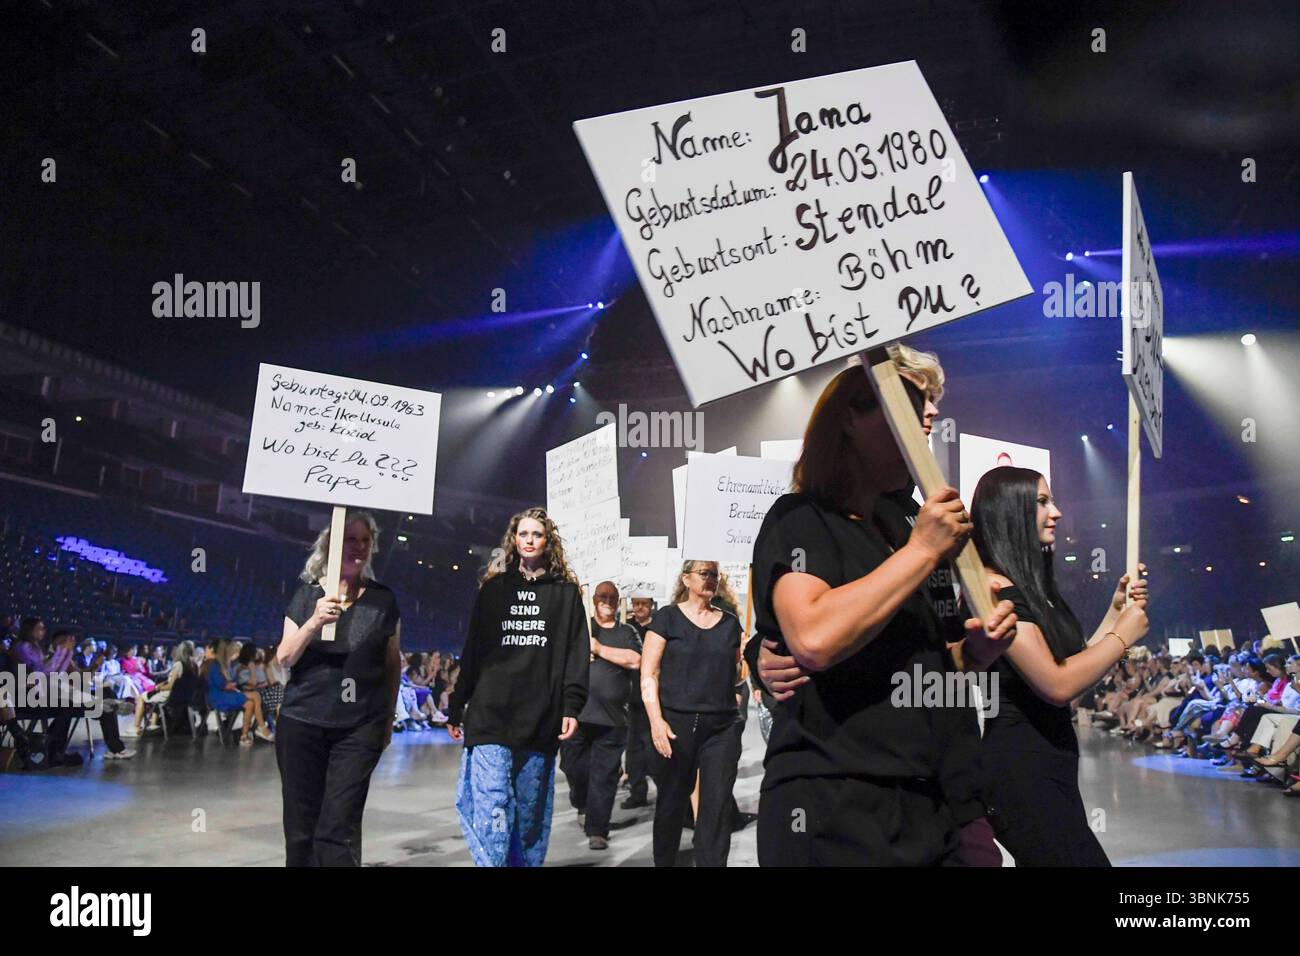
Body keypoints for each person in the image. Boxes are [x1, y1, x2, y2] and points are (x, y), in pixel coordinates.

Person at [747, 358, 1017, 866]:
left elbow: (921, 658)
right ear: (850, 417)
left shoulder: (908, 525)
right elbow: (816, 639)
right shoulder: (801, 519)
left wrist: (972, 652)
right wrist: (920, 553)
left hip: (932, 798)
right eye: (912, 403)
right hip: (838, 802)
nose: (932, 414)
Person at [970, 466, 1150, 866]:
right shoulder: (992, 588)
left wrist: (1115, 612)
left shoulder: (1034, 588)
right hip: (1020, 768)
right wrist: (1122, 637)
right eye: (1041, 502)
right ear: (1010, 511)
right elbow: (1056, 684)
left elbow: (1076, 666)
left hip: (1052, 761)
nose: (1057, 512)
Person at [447, 507, 589, 867]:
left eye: (536, 534)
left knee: (529, 815)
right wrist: (457, 703)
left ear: (547, 541)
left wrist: (572, 706)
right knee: (493, 804)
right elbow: (474, 649)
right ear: (514, 540)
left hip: (539, 715)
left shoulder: (565, 594)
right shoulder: (494, 589)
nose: (529, 540)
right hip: (490, 713)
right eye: (523, 534)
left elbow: (576, 652)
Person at [275, 510, 402, 867]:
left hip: (360, 727)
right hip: (302, 722)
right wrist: (314, 621)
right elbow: (284, 658)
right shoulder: (307, 596)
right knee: (301, 829)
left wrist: (388, 720)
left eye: (366, 540)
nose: (359, 547)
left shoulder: (383, 600)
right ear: (331, 545)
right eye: (351, 539)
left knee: (338, 825)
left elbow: (393, 664)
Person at [640, 560, 743, 867]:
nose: (710, 579)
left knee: (717, 807)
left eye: (714, 574)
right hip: (675, 725)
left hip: (721, 727)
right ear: (686, 578)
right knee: (671, 804)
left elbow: (737, 673)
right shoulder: (667, 618)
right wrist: (656, 721)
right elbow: (649, 673)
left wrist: (737, 691)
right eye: (704, 573)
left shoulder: (729, 623)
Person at [559, 580, 641, 850]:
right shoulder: (579, 630)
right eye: (601, 596)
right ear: (593, 599)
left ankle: (598, 829)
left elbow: (635, 660)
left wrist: (599, 649)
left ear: (619, 602)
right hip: (576, 716)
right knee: (574, 768)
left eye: (612, 596)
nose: (607, 600)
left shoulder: (627, 632)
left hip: (613, 720)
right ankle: (581, 801)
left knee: (603, 777)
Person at [621, 594, 655, 809]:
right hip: (631, 699)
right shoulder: (627, 628)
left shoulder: (659, 627)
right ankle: (637, 791)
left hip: (653, 696)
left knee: (652, 748)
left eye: (644, 604)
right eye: (636, 604)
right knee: (633, 750)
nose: (640, 608)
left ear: (651, 605)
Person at [207, 639, 272, 746]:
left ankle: (244, 736)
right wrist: (231, 684)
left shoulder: (226, 665)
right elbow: (221, 684)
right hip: (219, 696)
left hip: (228, 693)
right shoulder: (215, 665)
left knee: (250, 704)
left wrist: (232, 683)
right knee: (255, 695)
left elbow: (231, 681)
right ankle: (262, 727)